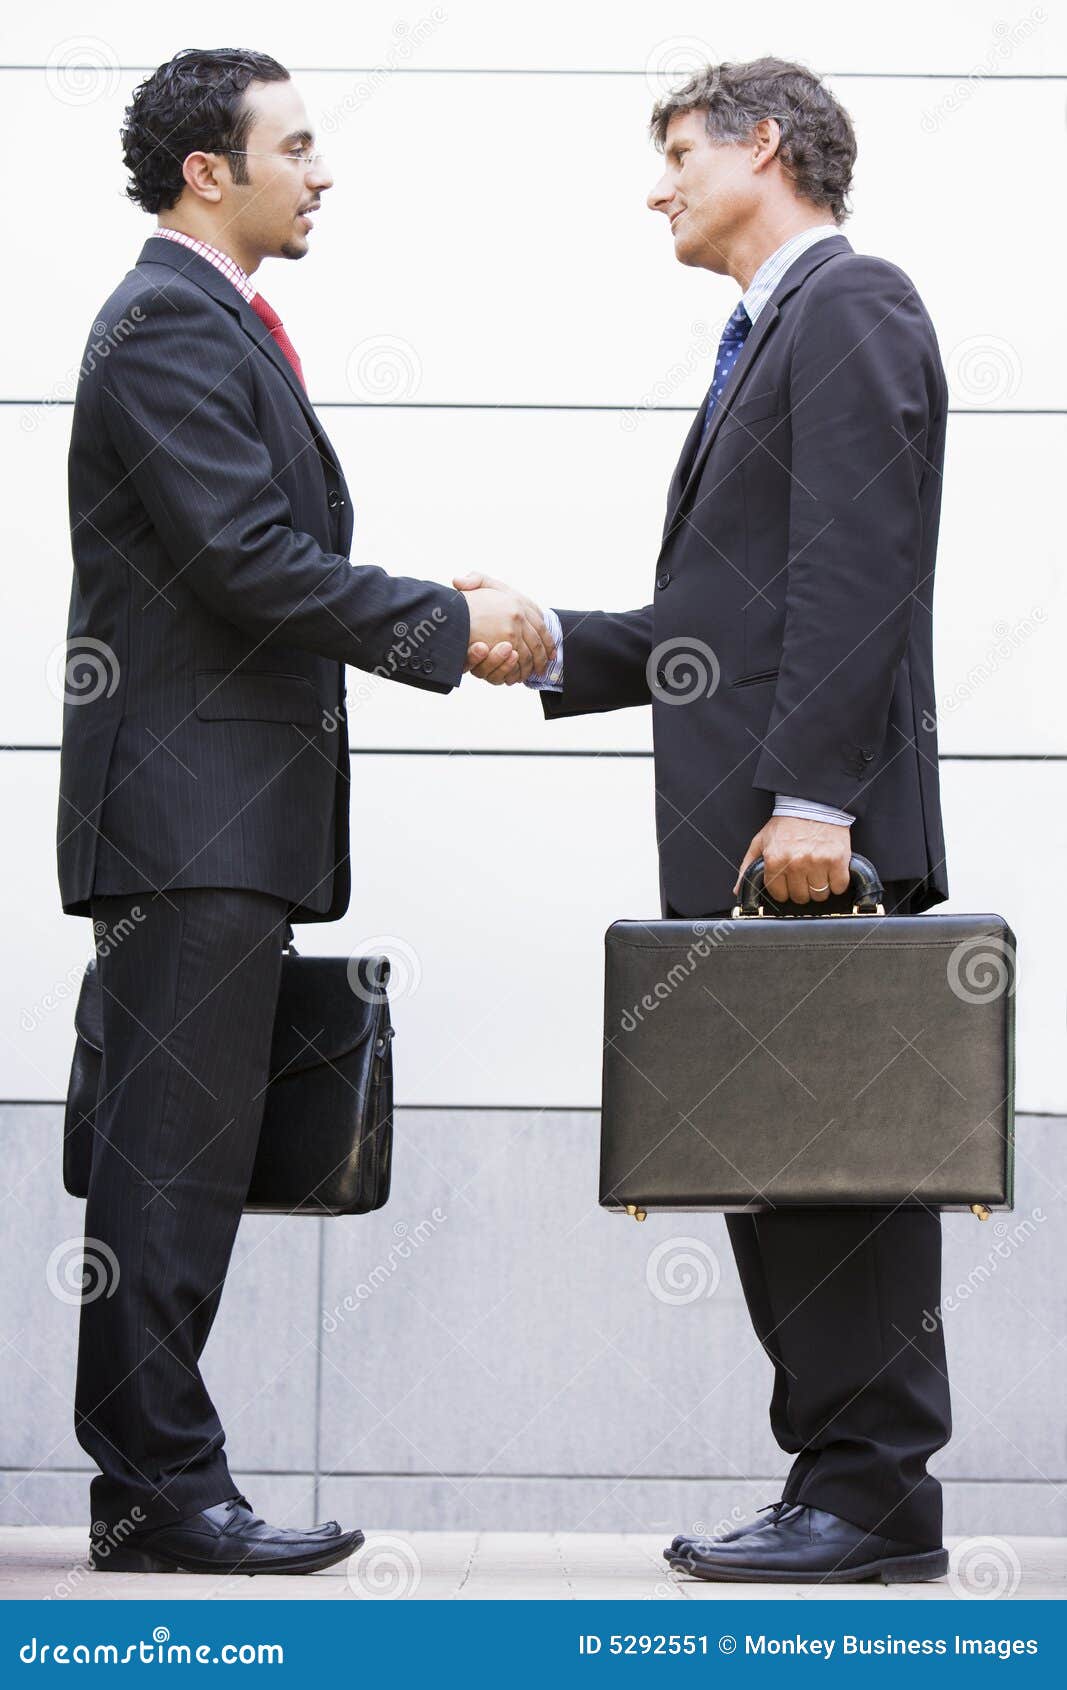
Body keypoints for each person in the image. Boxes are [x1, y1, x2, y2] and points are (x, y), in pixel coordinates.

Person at [57, 45, 553, 1576]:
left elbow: (255, 556)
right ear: (211, 169)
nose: (322, 169)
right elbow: (247, 558)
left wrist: (424, 609)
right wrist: (441, 622)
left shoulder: (213, 320)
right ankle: (158, 1492)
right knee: (166, 1165)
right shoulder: (163, 323)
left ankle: (161, 1484)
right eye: (299, 143)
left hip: (223, 821)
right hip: (186, 821)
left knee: (191, 1160)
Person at [461, 57, 952, 1585]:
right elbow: (716, 621)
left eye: (678, 151)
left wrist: (816, 795)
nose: (658, 183)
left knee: (838, 1168)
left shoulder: (853, 305)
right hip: (752, 846)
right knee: (776, 1159)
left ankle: (872, 1495)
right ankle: (841, 1484)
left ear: (766, 146)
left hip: (809, 838)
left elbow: (861, 570)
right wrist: (553, 641)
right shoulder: (766, 338)